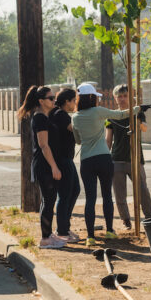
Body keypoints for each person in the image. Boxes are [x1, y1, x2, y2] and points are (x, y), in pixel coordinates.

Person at [71, 83, 148, 240]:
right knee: (107, 195)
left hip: (86, 160)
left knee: (90, 198)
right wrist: (137, 109)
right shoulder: (99, 112)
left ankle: (90, 237)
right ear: (92, 98)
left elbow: (78, 140)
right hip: (104, 158)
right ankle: (110, 230)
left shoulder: (76, 117)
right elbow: (119, 115)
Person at [18, 86, 68, 249]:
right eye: (50, 98)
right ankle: (45, 239)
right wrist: (54, 167)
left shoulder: (44, 117)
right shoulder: (39, 118)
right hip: (45, 166)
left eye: (54, 97)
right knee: (48, 201)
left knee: (48, 200)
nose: (54, 100)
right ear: (41, 101)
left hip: (46, 165)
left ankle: (47, 235)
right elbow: (43, 145)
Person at [106, 84, 151, 230]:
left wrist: (137, 115)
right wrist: (106, 157)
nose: (122, 99)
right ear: (115, 98)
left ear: (130, 96)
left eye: (125, 95)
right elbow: (108, 139)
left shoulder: (137, 112)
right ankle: (126, 220)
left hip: (135, 159)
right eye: (119, 96)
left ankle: (150, 218)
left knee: (143, 191)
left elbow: (144, 128)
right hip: (117, 160)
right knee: (119, 194)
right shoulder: (111, 116)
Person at [51, 88, 82, 244]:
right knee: (65, 195)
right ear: (67, 101)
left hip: (66, 159)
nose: (75, 103)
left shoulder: (59, 114)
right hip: (63, 160)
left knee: (74, 190)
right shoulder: (61, 115)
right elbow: (75, 131)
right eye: (73, 100)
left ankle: (64, 226)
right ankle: (62, 231)